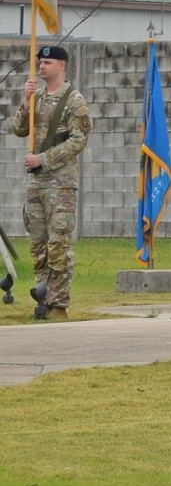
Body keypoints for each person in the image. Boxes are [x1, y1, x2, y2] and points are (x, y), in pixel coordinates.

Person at [10, 45, 91, 320]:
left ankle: (59, 305)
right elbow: (20, 129)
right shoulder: (38, 97)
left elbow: (79, 140)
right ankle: (42, 296)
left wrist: (43, 159)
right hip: (36, 184)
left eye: (47, 62)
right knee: (38, 243)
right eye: (40, 62)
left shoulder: (74, 100)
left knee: (58, 245)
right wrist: (25, 100)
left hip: (60, 184)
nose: (41, 67)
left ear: (62, 66)